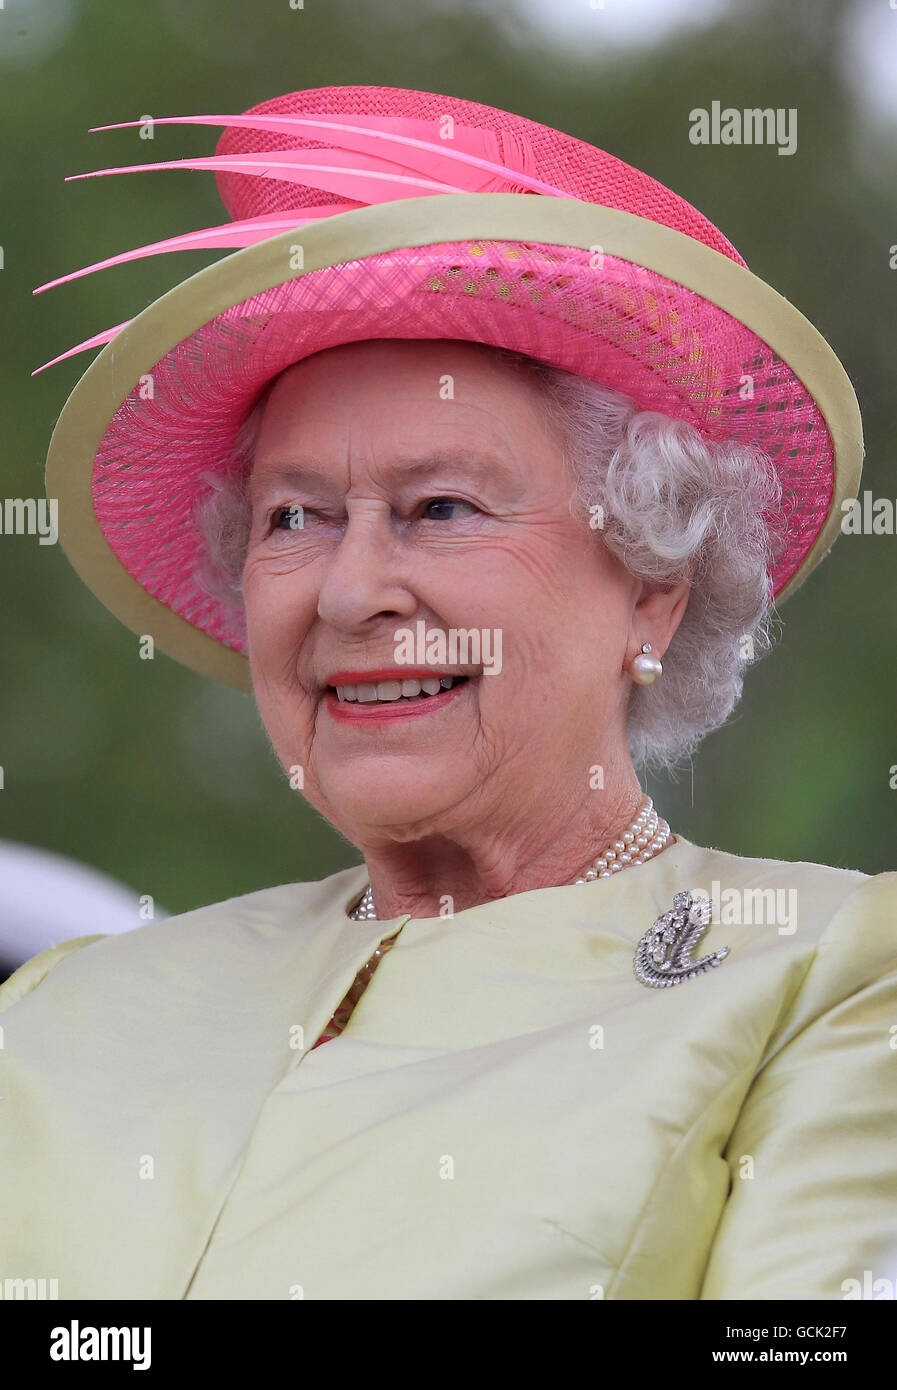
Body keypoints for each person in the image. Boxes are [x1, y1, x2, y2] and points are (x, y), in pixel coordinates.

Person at [2, 84, 893, 1301]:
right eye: (296, 517)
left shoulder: (828, 971)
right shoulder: (66, 999)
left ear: (653, 587)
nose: (351, 589)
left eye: (442, 508)